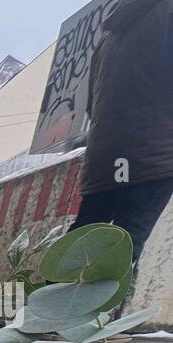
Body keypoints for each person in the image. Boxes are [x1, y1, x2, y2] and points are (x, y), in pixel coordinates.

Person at [71, 0, 173, 263]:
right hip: (153, 157)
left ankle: (45, 303)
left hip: (104, 162)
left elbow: (92, 107)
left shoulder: (107, 37)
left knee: (76, 252)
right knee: (120, 258)